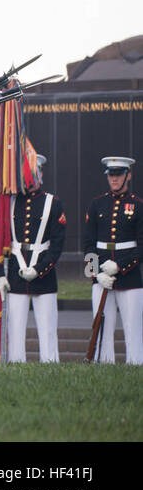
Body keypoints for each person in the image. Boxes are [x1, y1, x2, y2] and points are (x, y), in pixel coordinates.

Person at [0, 154, 64, 363]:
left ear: (41, 174)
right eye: (27, 174)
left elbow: (57, 244)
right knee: (14, 331)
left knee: (48, 330)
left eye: (35, 173)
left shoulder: (53, 203)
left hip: (44, 274)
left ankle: (50, 367)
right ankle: (15, 366)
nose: (31, 178)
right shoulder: (9, 202)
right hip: (15, 271)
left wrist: (40, 269)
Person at [84, 155, 141, 365]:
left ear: (128, 176)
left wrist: (119, 266)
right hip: (101, 276)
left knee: (133, 328)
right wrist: (96, 273)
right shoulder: (97, 204)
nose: (114, 179)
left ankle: (136, 364)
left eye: (118, 174)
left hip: (130, 275)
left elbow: (141, 246)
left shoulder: (138, 205)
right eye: (111, 175)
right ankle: (104, 365)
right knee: (102, 329)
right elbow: (88, 244)